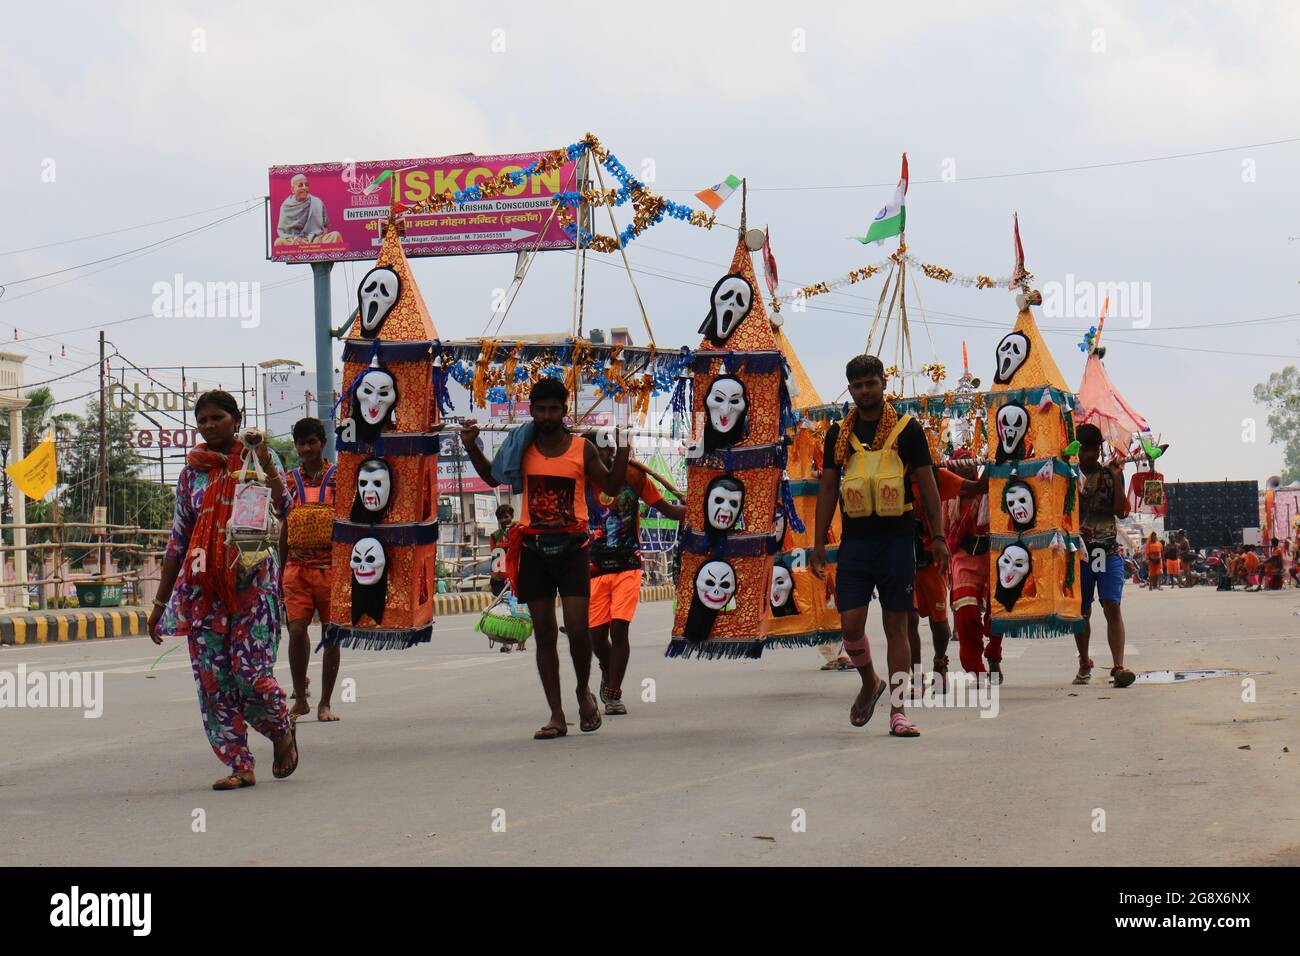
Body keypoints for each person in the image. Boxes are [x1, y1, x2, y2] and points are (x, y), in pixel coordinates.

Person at [461, 378, 630, 740]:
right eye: (541, 409)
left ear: (564, 411)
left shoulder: (582, 450)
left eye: (554, 409)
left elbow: (612, 488)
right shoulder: (520, 446)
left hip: (572, 549)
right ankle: (556, 714)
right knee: (545, 634)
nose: (548, 416)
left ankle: (584, 693)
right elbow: (492, 476)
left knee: (577, 628)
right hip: (534, 551)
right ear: (532, 411)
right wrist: (471, 446)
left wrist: (626, 448)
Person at [148, 390, 300, 789]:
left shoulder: (257, 461)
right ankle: (239, 764)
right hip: (204, 592)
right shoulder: (192, 473)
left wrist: (265, 457)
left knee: (251, 676)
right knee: (214, 682)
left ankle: (281, 730)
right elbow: (178, 541)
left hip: (253, 588)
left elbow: (286, 508)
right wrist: (161, 603)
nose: (210, 426)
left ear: (237, 419)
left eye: (218, 418)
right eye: (203, 420)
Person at [812, 355, 947, 738]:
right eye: (857, 386)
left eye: (871, 383)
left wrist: (938, 537)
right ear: (850, 389)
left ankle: (899, 712)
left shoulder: (908, 430)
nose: (865, 391)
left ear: (884, 383)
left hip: (896, 542)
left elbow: (929, 485)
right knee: (850, 626)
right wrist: (819, 541)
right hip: (855, 544)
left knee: (897, 627)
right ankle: (870, 681)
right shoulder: (838, 434)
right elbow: (827, 487)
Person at [584, 443, 685, 716]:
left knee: (618, 630)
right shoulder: (580, 479)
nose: (603, 456)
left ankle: (614, 694)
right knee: (596, 638)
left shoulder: (634, 476)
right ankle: (608, 668)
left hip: (628, 565)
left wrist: (699, 513)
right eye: (597, 451)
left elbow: (666, 508)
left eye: (608, 450)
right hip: (593, 568)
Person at [278, 417, 341, 722]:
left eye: (311, 442)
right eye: (301, 444)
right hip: (297, 567)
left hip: (332, 568)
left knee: (332, 634)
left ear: (323, 442)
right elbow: (283, 528)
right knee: (296, 630)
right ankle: (300, 697)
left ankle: (325, 703)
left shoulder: (339, 477)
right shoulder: (288, 481)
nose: (306, 449)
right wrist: (280, 572)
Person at [1073, 423, 1135, 688]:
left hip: (1106, 550)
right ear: (1078, 450)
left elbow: (1121, 511)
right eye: (1085, 449)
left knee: (1112, 606)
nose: (1090, 454)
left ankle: (1118, 666)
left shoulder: (1110, 475)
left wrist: (1118, 478)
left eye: (1094, 449)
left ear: (1099, 449)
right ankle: (1085, 662)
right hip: (1082, 554)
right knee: (1082, 611)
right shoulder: (1067, 477)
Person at [943, 450, 998, 682]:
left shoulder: (991, 492)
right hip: (963, 556)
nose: (966, 468)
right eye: (960, 465)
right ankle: (975, 667)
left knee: (999, 612)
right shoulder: (948, 499)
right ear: (953, 471)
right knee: (965, 613)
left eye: (970, 463)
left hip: (991, 556)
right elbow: (945, 533)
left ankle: (994, 656)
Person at [275, 174, 343, 245]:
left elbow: (325, 226)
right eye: (300, 185)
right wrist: (294, 239)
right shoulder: (286, 206)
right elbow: (283, 232)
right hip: (296, 242)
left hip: (316, 240)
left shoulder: (317, 202)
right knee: (279, 242)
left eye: (306, 185)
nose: (304, 188)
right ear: (293, 190)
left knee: (336, 235)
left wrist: (320, 237)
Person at [488, 504, 514, 598]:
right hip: (501, 578)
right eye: (500, 518)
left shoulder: (519, 531)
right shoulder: (495, 536)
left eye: (506, 517)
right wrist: (495, 578)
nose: (503, 520)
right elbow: (495, 559)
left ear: (512, 516)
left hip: (518, 575)